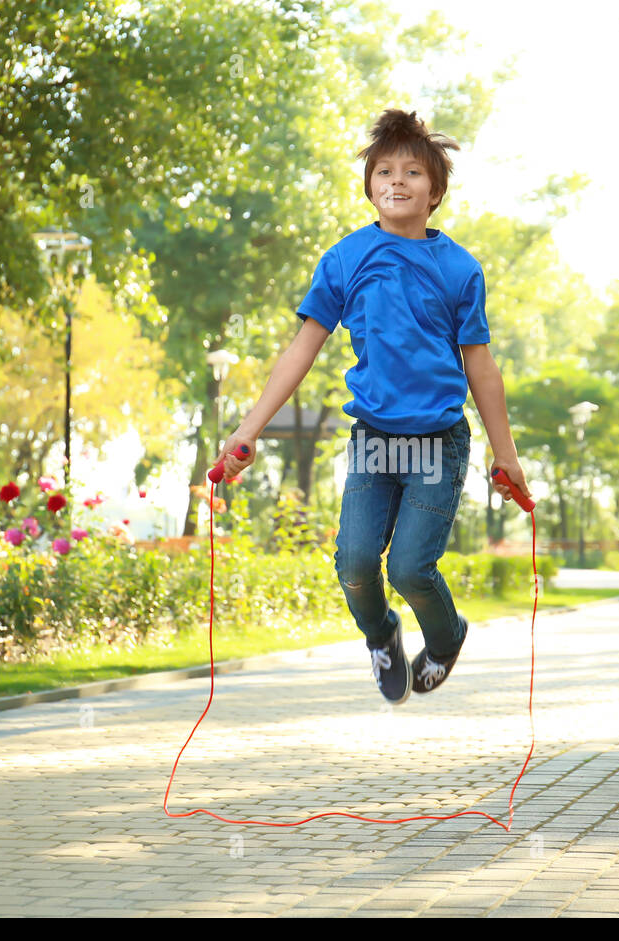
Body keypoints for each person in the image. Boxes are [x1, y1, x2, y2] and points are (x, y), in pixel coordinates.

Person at [212, 108, 530, 705]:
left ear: (434, 192)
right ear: (369, 186)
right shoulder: (344, 259)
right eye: (384, 171)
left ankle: (445, 637)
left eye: (412, 172)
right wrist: (247, 429)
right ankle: (382, 635)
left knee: (410, 569)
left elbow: (481, 367)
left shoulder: (460, 269)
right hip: (375, 438)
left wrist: (505, 454)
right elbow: (302, 348)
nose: (397, 180)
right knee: (356, 564)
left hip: (438, 440)